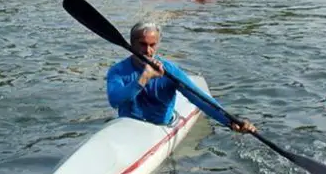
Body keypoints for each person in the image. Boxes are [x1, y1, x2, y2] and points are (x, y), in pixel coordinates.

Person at [106, 21, 257, 134]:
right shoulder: (117, 71)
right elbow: (115, 101)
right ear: (131, 45)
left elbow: (199, 99)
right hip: (128, 129)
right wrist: (144, 78)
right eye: (143, 45)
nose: (148, 51)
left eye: (153, 45)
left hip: (160, 128)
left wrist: (231, 122)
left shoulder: (169, 70)